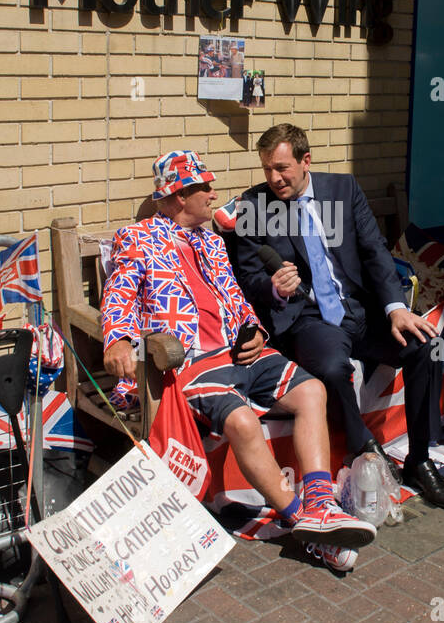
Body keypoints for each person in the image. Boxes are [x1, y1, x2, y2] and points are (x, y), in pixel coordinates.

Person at [100, 149, 375, 571]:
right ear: (178, 197)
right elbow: (117, 296)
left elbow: (237, 299)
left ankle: (321, 501)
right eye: (204, 188)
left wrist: (257, 331)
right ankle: (303, 519)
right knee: (243, 421)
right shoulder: (137, 239)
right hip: (187, 364)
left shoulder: (211, 241)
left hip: (242, 354)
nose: (213, 194)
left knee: (312, 390)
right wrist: (118, 341)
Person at [228, 124, 444, 511]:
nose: (274, 178)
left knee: (426, 346)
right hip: (308, 317)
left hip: (358, 307)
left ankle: (420, 459)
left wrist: (396, 308)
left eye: (282, 168)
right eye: (267, 168)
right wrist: (274, 286)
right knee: (332, 367)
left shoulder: (343, 190)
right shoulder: (255, 207)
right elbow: (246, 275)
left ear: (306, 161)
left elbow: (374, 252)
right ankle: (366, 449)